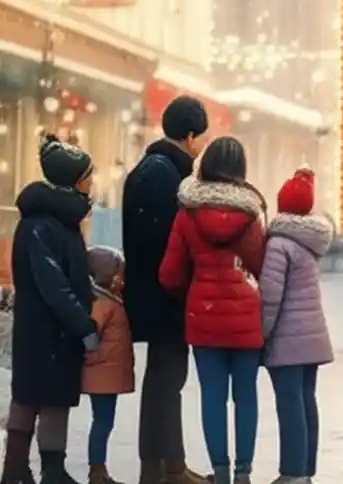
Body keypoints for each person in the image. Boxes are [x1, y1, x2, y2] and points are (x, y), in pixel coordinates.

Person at [159, 137, 266, 484]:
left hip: (203, 319)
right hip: (246, 319)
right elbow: (260, 264)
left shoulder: (188, 212)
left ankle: (219, 471)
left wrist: (191, 288)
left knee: (213, 397)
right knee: (246, 395)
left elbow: (170, 274)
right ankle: (244, 473)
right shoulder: (251, 214)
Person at [123, 96, 209, 484]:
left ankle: (165, 464)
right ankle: (161, 469)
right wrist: (177, 289)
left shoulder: (149, 169)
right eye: (200, 138)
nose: (201, 146)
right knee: (166, 380)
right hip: (165, 296)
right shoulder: (164, 176)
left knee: (163, 379)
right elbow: (166, 244)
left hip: (153, 293)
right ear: (189, 136)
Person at [2, 135, 99, 484]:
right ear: (74, 180)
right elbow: (54, 285)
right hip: (47, 330)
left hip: (50, 330)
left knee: (49, 397)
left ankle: (49, 469)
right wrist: (82, 325)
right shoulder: (43, 225)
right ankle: (16, 470)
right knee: (32, 398)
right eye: (89, 175)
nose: (93, 182)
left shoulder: (58, 221)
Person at [259, 169, 334, 484]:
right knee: (306, 401)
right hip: (312, 338)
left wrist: (261, 333)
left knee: (289, 404)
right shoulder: (310, 241)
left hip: (288, 341)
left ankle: (292, 473)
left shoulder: (279, 244)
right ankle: (305, 471)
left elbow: (271, 297)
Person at [82, 247, 135, 484]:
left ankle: (99, 470)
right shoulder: (102, 304)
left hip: (107, 373)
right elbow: (90, 337)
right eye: (118, 273)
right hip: (103, 374)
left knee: (104, 422)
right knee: (102, 422)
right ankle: (97, 471)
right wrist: (95, 360)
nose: (121, 278)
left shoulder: (110, 300)